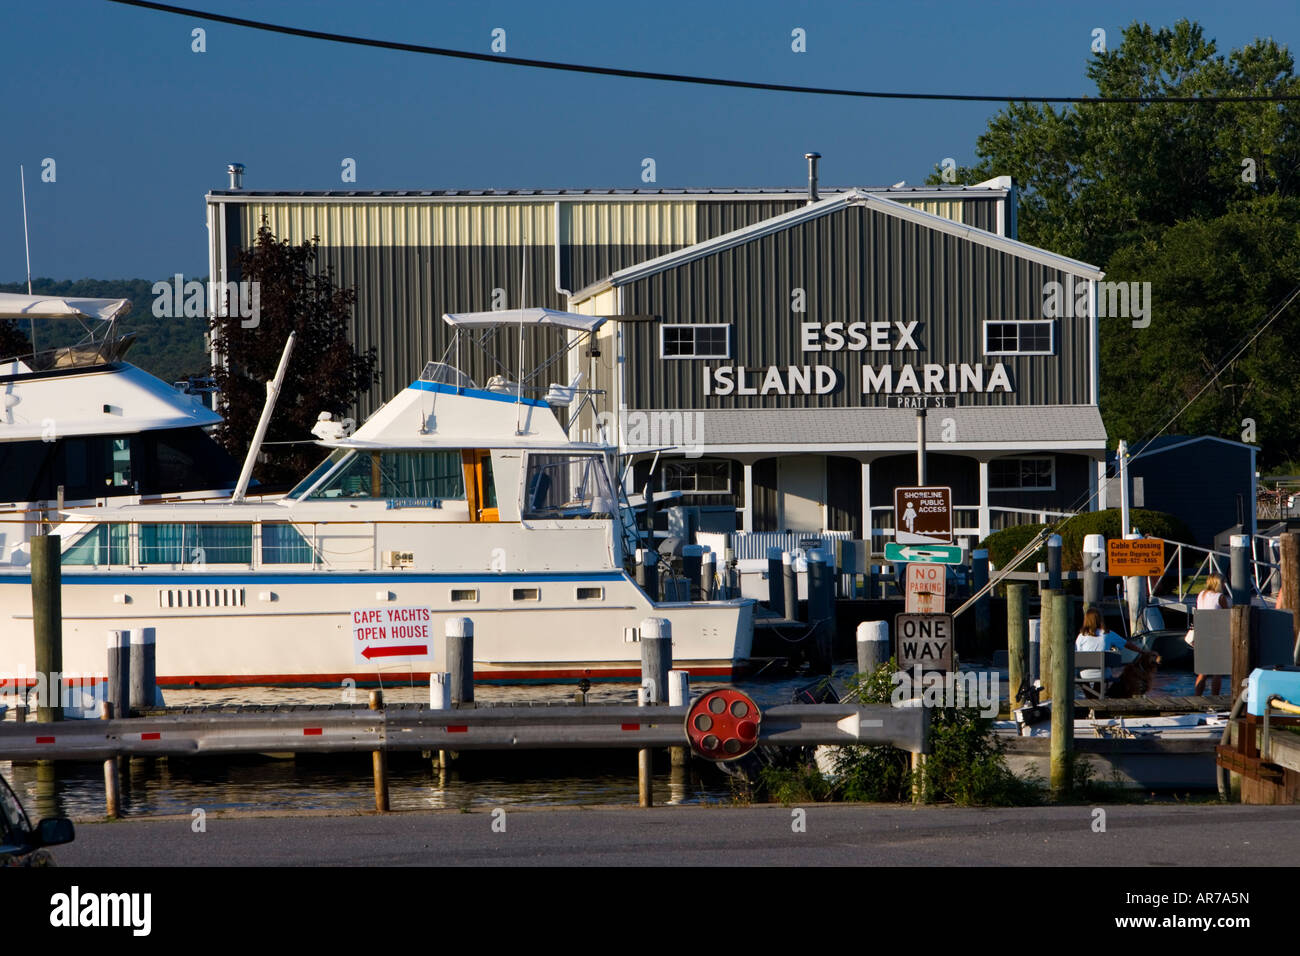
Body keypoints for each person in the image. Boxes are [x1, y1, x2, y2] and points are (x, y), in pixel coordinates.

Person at [1075, 607, 1159, 698]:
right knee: (1100, 674)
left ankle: (1092, 701)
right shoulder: (1107, 634)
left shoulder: (1081, 636)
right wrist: (1141, 651)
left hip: (1084, 674)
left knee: (1082, 677)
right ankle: (1095, 702)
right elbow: (1126, 644)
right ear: (1100, 619)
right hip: (1103, 673)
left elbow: (1077, 654)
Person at [1191, 574, 1230, 696]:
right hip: (1216, 635)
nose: (1224, 585)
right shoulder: (1220, 597)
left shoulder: (1201, 594)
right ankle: (1215, 698)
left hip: (1202, 634)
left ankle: (1197, 697)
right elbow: (1228, 615)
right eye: (1223, 582)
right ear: (1219, 583)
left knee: (1203, 671)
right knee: (1217, 671)